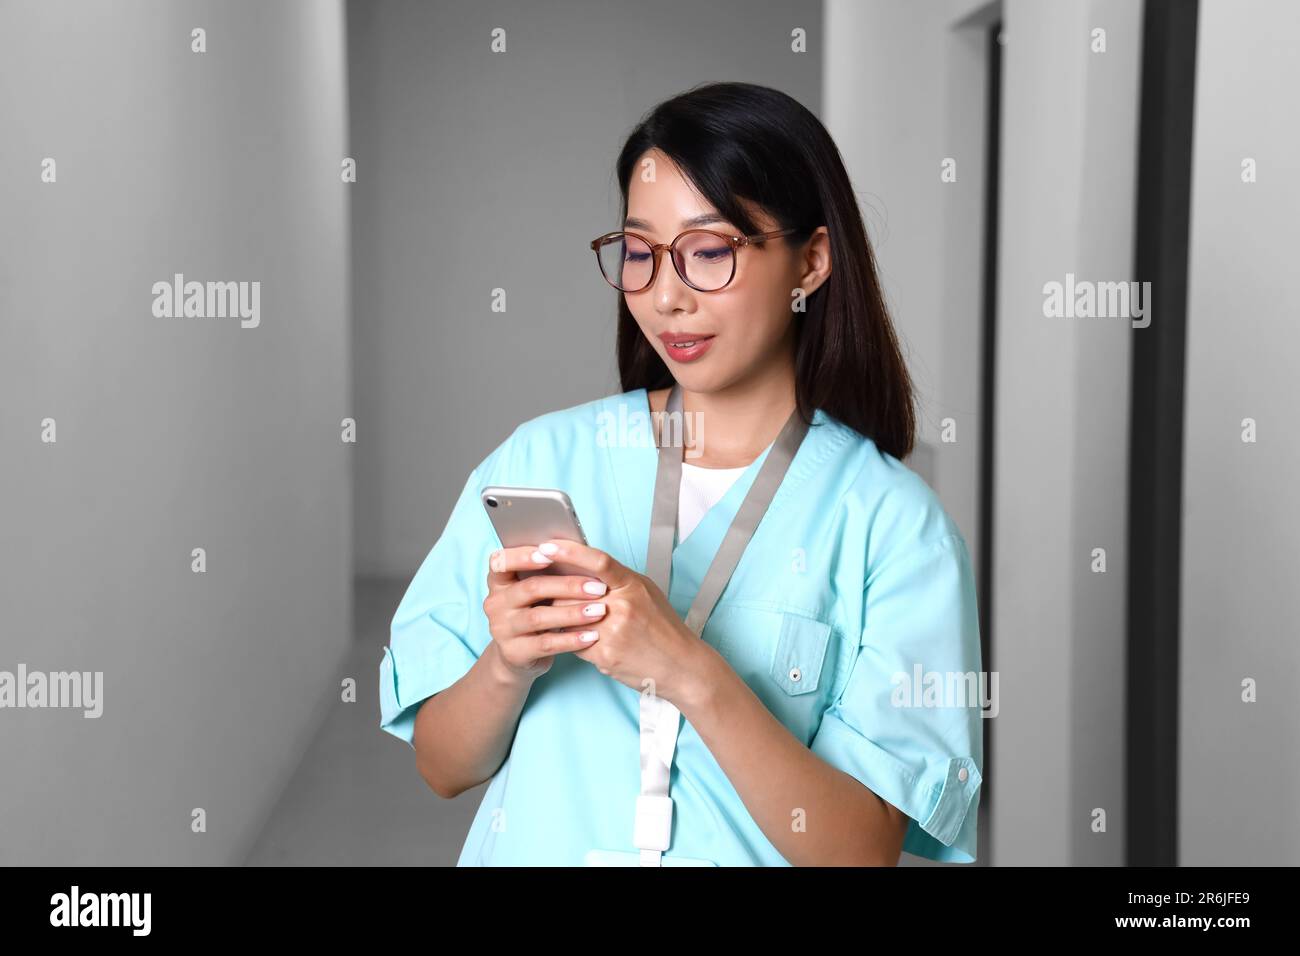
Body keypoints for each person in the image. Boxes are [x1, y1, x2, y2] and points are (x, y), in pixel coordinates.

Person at [379, 81, 984, 866]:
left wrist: (691, 670)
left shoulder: (897, 529)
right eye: (638, 254)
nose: (665, 297)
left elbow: (861, 851)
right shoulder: (540, 460)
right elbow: (441, 768)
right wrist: (508, 663)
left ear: (810, 261)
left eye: (709, 252)